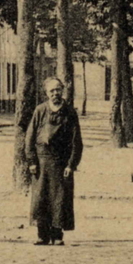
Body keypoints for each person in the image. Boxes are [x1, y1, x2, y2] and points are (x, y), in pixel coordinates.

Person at [25, 77, 84, 246]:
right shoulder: (40, 111)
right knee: (40, 198)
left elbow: (76, 142)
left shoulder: (70, 112)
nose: (55, 94)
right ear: (46, 93)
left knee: (59, 198)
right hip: (41, 162)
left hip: (61, 162)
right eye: (52, 91)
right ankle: (42, 235)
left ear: (63, 91)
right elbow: (29, 138)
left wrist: (71, 165)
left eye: (58, 90)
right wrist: (31, 161)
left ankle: (57, 235)